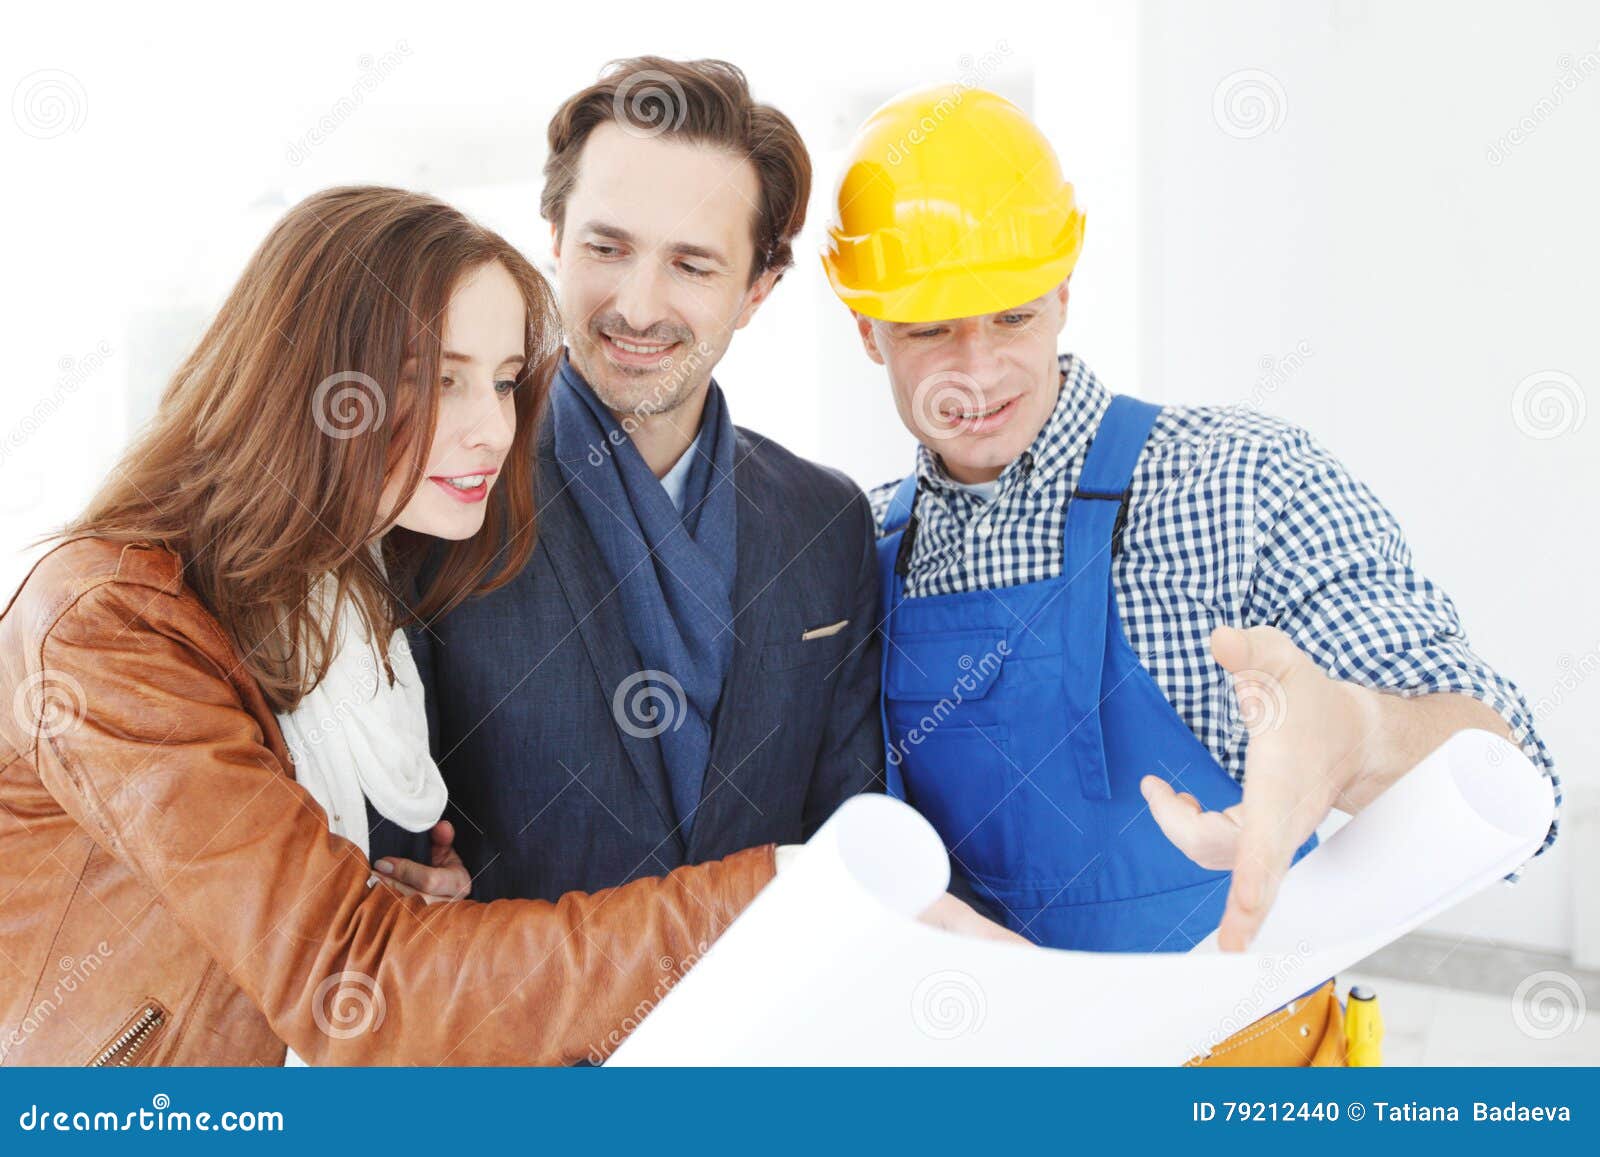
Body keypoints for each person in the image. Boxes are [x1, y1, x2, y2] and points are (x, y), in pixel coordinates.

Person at [0, 184, 996, 1069]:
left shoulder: (358, 602)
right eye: (439, 376)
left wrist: (430, 904)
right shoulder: (108, 628)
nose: (490, 426)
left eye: (506, 379)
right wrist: (770, 893)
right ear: (309, 382)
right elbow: (355, 977)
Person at [821, 86, 1557, 1060]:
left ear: (1064, 295)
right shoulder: (860, 556)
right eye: (928, 329)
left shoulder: (1231, 482)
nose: (980, 368)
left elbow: (1516, 779)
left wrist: (1362, 731)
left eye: (1010, 314)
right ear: (867, 330)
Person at [411, 60, 993, 937]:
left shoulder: (823, 522)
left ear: (758, 289)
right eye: (607, 248)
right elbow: (390, 854)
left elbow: (848, 838)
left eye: (691, 264)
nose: (637, 307)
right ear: (555, 241)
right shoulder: (444, 494)